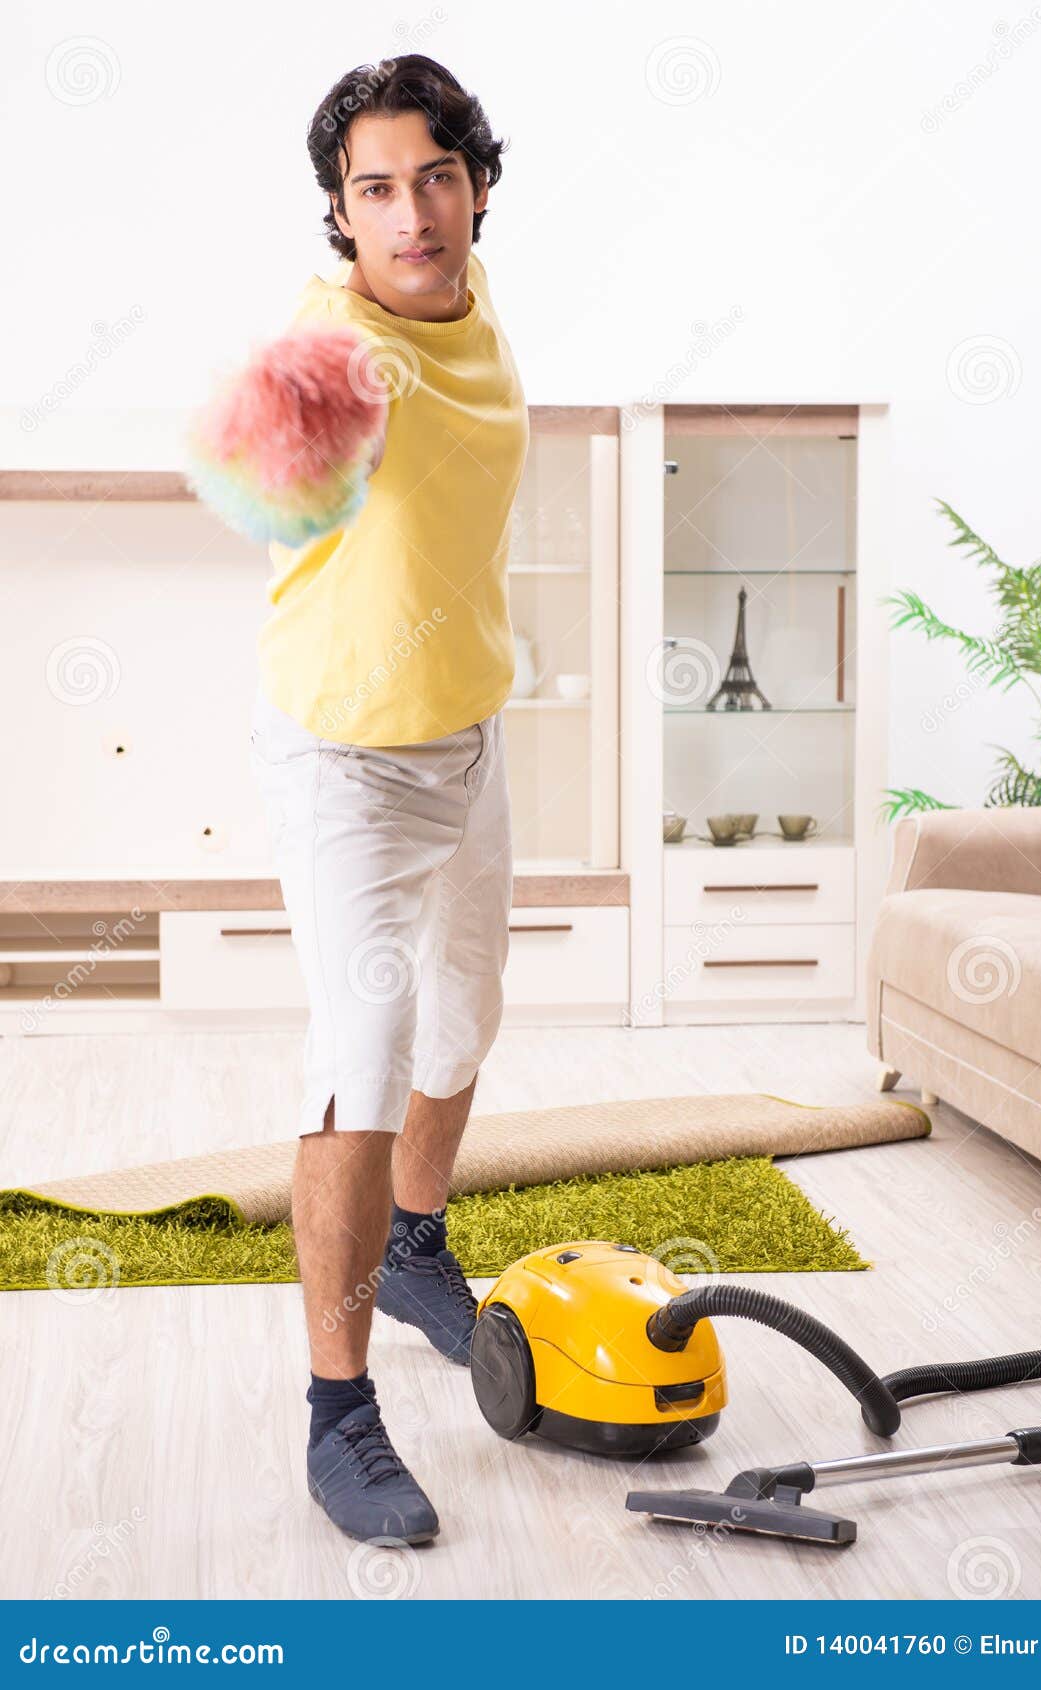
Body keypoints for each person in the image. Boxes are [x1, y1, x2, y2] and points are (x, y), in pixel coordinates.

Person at [248, 55, 528, 1546]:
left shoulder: (476, 313)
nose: (411, 212)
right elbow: (252, 484)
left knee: (466, 1013)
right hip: (345, 755)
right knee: (363, 1049)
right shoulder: (336, 335)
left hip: (466, 730)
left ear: (476, 183)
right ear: (341, 218)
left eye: (434, 175)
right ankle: (338, 1408)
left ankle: (417, 1244)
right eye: (374, 189)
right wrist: (300, 425)